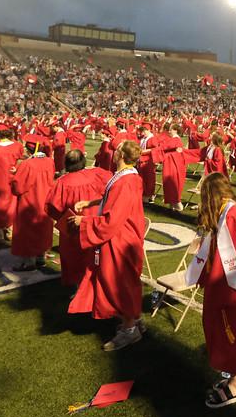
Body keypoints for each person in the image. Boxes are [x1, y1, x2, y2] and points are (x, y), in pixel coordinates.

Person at [186, 172, 236, 408]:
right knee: (228, 331)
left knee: (233, 332)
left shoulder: (230, 217)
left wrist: (216, 285)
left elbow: (232, 260)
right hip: (229, 284)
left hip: (233, 288)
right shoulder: (225, 214)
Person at [68, 140, 147, 351]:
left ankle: (130, 330)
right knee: (121, 281)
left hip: (121, 238)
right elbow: (109, 198)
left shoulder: (125, 181)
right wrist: (90, 203)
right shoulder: (125, 176)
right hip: (123, 234)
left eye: (116, 150)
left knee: (119, 283)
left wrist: (83, 221)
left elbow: (113, 220)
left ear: (120, 155)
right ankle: (133, 319)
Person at [45, 149, 111, 288]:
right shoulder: (97, 174)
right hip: (96, 222)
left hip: (73, 226)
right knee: (95, 256)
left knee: (73, 256)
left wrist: (61, 218)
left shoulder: (62, 182)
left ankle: (77, 285)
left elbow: (52, 208)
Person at [10, 135, 56, 271]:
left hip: (30, 201)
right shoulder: (49, 161)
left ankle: (29, 262)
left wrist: (15, 175)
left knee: (28, 230)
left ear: (29, 149)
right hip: (45, 199)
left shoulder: (27, 164)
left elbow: (19, 187)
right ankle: (41, 257)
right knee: (43, 228)